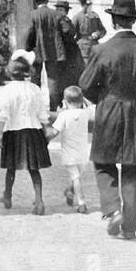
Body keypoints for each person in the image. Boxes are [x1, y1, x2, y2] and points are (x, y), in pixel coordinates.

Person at [80, 0, 136, 240]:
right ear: (132, 20)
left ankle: (112, 210)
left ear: (113, 21)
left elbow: (85, 84)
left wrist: (103, 99)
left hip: (109, 114)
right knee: (132, 168)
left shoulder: (101, 50)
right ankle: (130, 227)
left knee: (103, 163)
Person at [0, 50, 50, 215]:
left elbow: (4, 113)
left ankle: (8, 195)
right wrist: (46, 130)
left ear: (11, 72)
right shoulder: (34, 89)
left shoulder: (7, 90)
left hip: (13, 132)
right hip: (34, 131)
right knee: (34, 169)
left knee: (11, 168)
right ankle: (39, 201)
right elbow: (42, 113)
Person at [47, 85, 93, 213]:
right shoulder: (85, 113)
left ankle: (81, 202)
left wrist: (46, 140)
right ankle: (69, 192)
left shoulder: (64, 115)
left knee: (75, 177)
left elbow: (55, 132)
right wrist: (85, 100)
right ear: (81, 100)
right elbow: (92, 107)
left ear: (65, 102)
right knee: (77, 176)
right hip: (83, 153)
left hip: (69, 153)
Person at [24, 0, 66, 109]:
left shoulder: (33, 14)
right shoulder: (56, 14)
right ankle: (53, 107)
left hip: (37, 49)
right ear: (46, 1)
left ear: (36, 2)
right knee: (53, 79)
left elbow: (30, 32)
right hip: (54, 51)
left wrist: (28, 48)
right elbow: (66, 31)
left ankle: (36, 106)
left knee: (35, 78)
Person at [51, 0, 86, 94]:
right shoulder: (58, 21)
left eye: (61, 10)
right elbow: (67, 32)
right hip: (63, 51)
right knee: (62, 76)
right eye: (58, 9)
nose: (59, 12)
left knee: (70, 76)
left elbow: (72, 31)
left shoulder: (66, 20)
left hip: (70, 52)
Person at [73, 0, 106, 64]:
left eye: (90, 5)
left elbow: (103, 30)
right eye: (87, 5)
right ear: (83, 5)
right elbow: (71, 32)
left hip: (94, 46)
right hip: (82, 48)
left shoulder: (95, 16)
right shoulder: (77, 17)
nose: (89, 7)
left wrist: (98, 34)